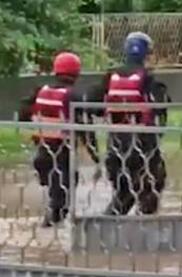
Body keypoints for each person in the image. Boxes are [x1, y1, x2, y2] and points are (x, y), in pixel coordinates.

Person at [90, 32, 171, 216]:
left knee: (122, 197)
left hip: (116, 149)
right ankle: (140, 236)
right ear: (146, 54)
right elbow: (161, 106)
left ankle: (107, 233)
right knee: (148, 193)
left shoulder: (110, 77)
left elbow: (93, 105)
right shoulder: (149, 80)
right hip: (144, 149)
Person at [17, 52, 101, 227]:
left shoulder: (40, 91)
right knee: (65, 189)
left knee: (55, 188)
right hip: (62, 153)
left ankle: (52, 219)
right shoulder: (73, 96)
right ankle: (54, 221)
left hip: (42, 153)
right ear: (76, 73)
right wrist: (95, 155)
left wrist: (34, 128)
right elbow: (85, 129)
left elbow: (24, 113)